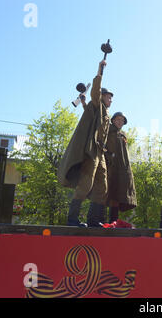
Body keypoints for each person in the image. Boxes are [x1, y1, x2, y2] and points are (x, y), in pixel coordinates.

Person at [58, 59, 112, 227]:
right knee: (85, 184)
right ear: (102, 96)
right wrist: (100, 70)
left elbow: (92, 117)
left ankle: (94, 220)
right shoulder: (97, 102)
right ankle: (72, 219)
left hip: (100, 152)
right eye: (109, 96)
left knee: (102, 186)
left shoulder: (101, 111)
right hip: (91, 150)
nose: (111, 100)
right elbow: (95, 92)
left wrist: (82, 103)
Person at [105, 112, 137, 224]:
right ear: (113, 120)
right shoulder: (108, 130)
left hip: (122, 169)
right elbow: (101, 145)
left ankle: (113, 222)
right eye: (118, 119)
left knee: (118, 195)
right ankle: (101, 221)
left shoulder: (123, 134)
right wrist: (110, 156)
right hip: (110, 167)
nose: (120, 122)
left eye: (122, 120)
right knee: (107, 194)